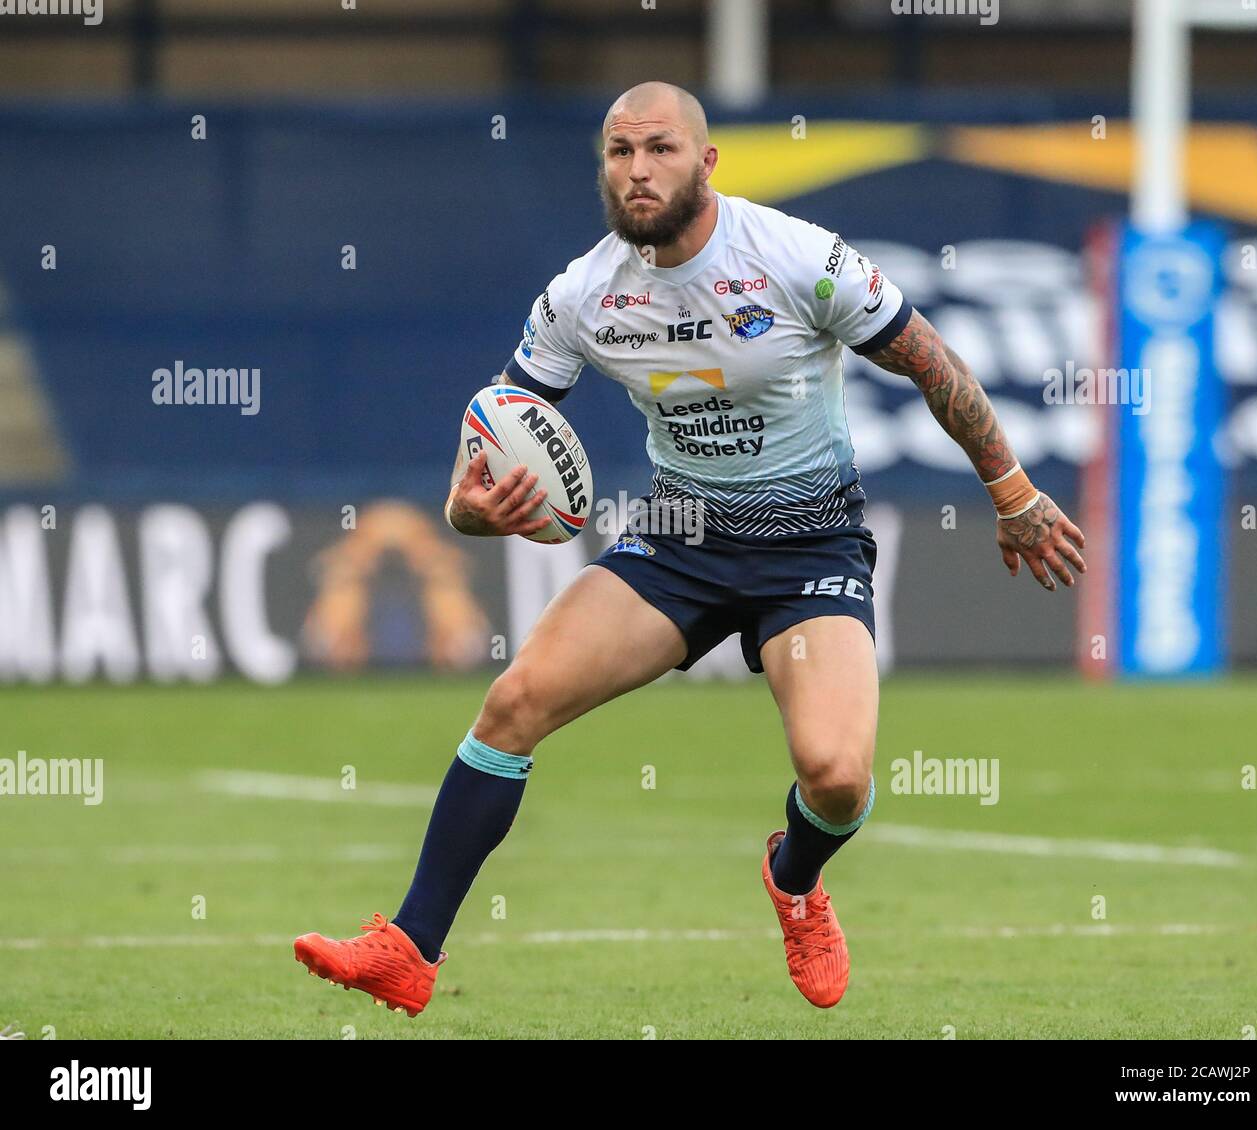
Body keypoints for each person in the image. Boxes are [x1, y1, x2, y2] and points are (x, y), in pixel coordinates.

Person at [293, 81, 1086, 1016]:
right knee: (514, 703)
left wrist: (1012, 490)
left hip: (808, 545)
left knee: (834, 776)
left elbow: (930, 361)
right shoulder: (581, 295)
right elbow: (493, 450)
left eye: (660, 149)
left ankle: (794, 881)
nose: (639, 169)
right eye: (621, 152)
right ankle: (409, 950)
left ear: (705, 162)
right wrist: (478, 512)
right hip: (678, 538)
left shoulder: (796, 258)